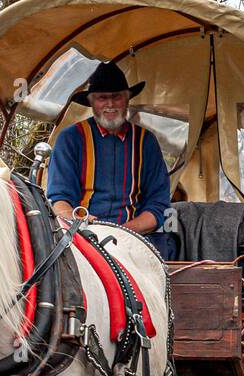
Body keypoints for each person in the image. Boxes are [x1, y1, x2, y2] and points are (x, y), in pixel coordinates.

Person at [46, 60, 177, 259]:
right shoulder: (71, 139)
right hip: (81, 236)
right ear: (91, 102)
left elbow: (158, 205)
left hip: (135, 238)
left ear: (127, 100)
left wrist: (124, 232)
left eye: (116, 97)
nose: (109, 104)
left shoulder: (146, 142)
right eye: (102, 98)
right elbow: (60, 201)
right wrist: (85, 224)